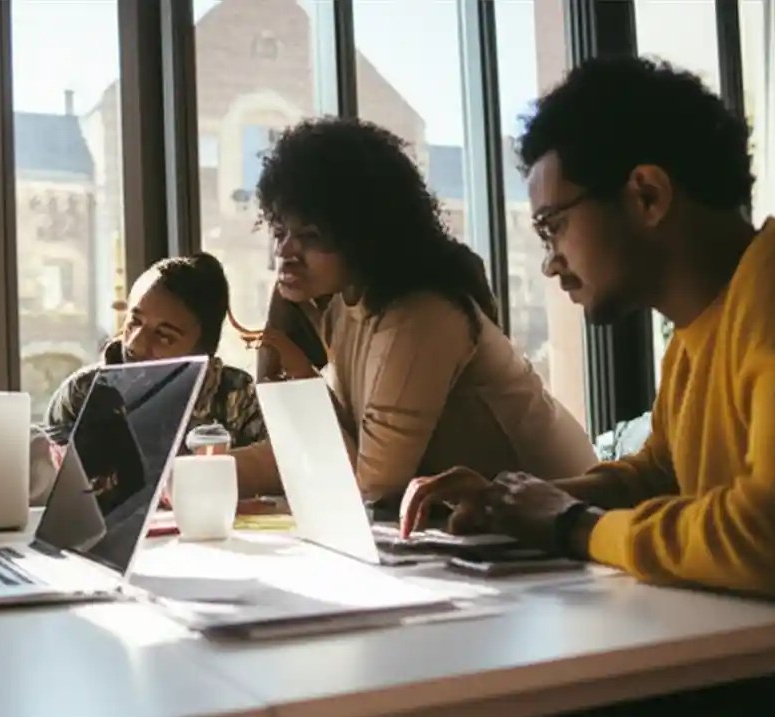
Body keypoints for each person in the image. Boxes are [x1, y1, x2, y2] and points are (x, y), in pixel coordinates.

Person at [400, 56, 775, 603]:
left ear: (647, 195)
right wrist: (515, 500)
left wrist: (573, 526)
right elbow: (659, 475)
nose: (551, 262)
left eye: (553, 227)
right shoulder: (696, 332)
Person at [233, 117, 597, 509]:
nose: (285, 252)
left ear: (363, 237)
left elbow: (372, 485)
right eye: (279, 231)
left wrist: (301, 378)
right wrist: (199, 472)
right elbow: (319, 451)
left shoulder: (421, 314)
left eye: (311, 237)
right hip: (488, 529)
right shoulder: (344, 308)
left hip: (561, 522)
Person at [46, 252, 264, 449]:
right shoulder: (82, 394)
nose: (136, 343)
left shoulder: (238, 396)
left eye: (164, 336)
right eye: (134, 322)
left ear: (203, 352)